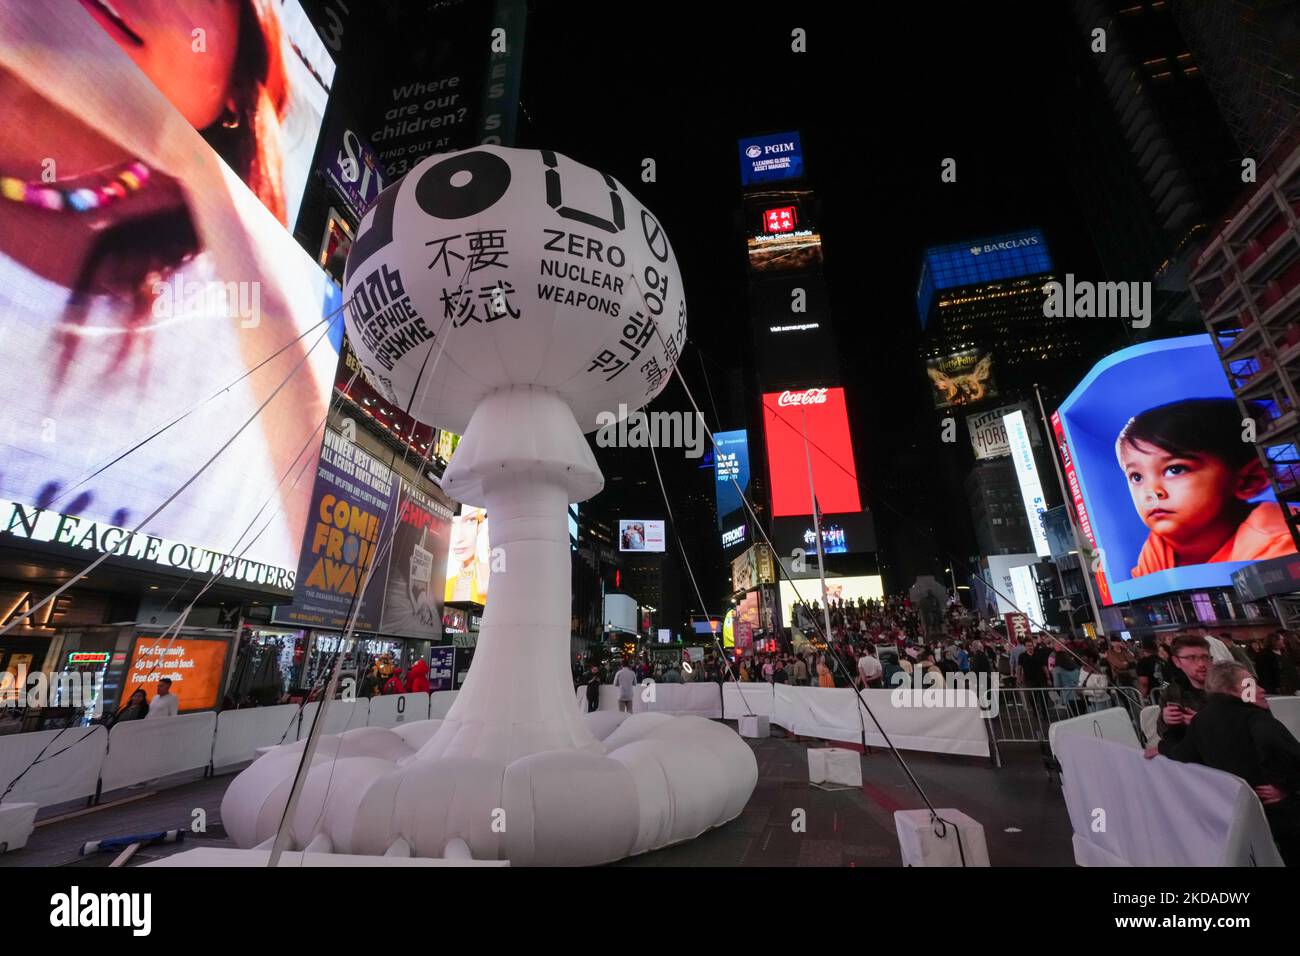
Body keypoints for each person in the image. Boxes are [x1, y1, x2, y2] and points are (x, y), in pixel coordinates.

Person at [1117, 398, 1297, 578]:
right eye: (1136, 476)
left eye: (1175, 469)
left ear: (1249, 481)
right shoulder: (1160, 546)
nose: (1151, 493)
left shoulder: (1280, 538)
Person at [1152, 661, 1300, 865]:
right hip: (1282, 821)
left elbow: (1183, 754)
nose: (1261, 689)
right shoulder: (1257, 720)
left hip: (1235, 822)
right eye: (1251, 684)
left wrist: (1162, 746)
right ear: (1231, 689)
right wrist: (1290, 789)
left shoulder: (1201, 720)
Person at [1156, 634, 1212, 755]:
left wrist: (1203, 724)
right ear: (1177, 661)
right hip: (1192, 758)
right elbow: (1164, 734)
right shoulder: (1171, 693)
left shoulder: (1227, 687)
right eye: (1192, 658)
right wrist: (1165, 720)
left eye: (1205, 657)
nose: (1201, 664)